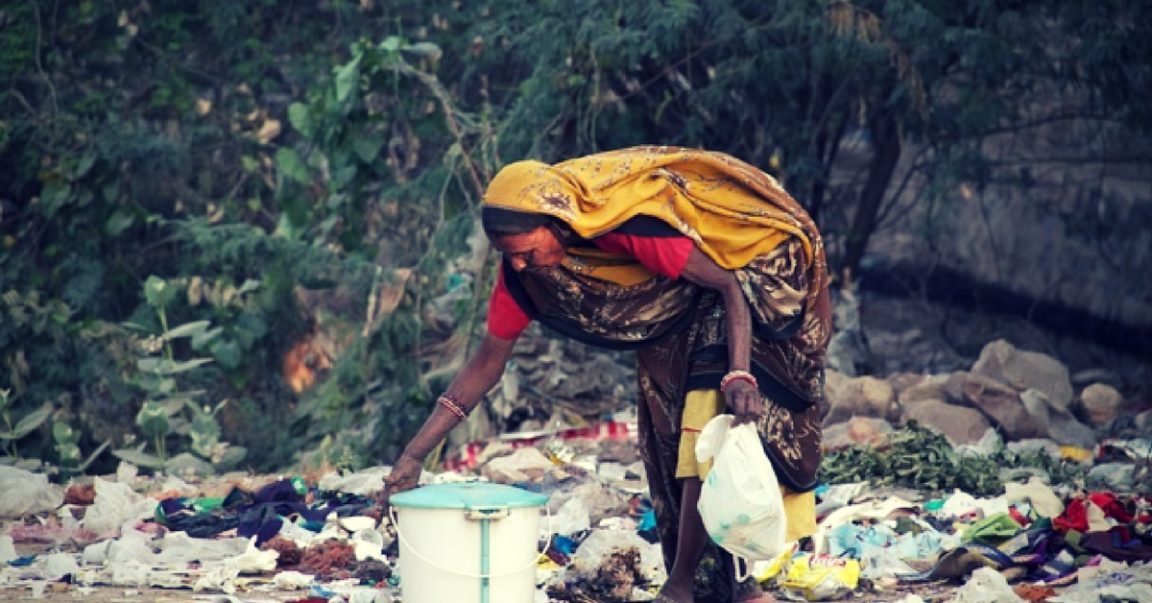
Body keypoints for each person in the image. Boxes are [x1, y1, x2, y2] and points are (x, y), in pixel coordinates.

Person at [382, 146, 830, 603]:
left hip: (729, 307)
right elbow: (485, 366)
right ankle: (731, 585)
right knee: (671, 447)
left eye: (525, 251)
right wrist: (414, 455)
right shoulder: (521, 280)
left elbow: (726, 284)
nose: (518, 263)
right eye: (507, 255)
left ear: (556, 222)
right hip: (669, 327)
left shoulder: (632, 227)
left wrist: (739, 373)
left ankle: (679, 588)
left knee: (704, 435)